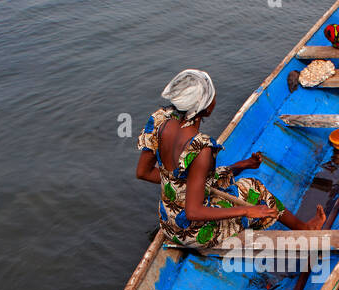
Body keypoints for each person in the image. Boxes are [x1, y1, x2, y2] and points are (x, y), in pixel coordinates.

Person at [136, 68, 325, 249]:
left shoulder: (158, 121)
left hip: (168, 224)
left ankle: (243, 168)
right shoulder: (201, 148)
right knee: (254, 187)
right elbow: (193, 212)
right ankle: (306, 228)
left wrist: (239, 166)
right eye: (212, 97)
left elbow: (144, 173)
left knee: (213, 178)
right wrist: (247, 210)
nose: (215, 100)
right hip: (193, 233)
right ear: (204, 106)